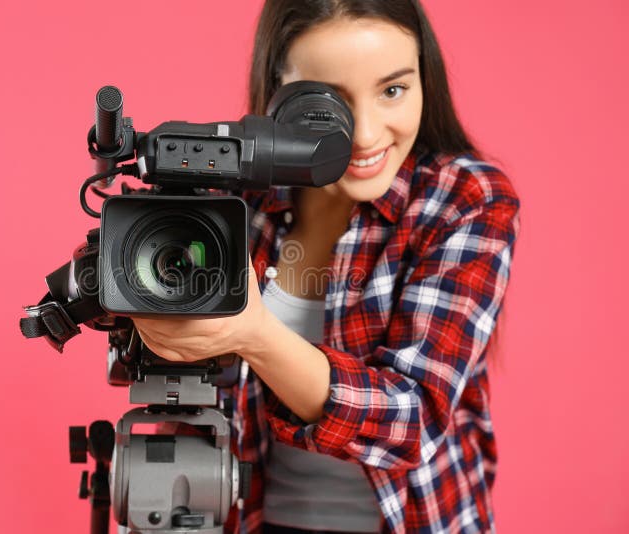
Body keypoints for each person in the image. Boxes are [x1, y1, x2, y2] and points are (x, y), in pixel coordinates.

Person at [132, 0, 521, 532]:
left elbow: (416, 421)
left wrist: (257, 336)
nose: (363, 135)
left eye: (393, 90)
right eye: (329, 102)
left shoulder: (462, 199)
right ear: (278, 89)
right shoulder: (231, 200)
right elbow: (191, 408)